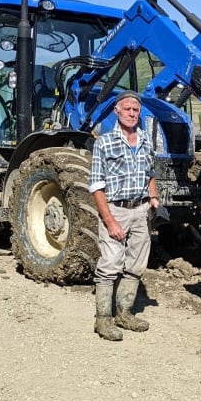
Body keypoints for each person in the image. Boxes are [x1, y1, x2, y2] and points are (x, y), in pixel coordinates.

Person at [88, 90, 160, 341]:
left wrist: (153, 197)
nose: (132, 113)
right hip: (115, 209)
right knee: (110, 265)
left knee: (136, 265)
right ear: (117, 111)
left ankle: (124, 313)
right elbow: (96, 185)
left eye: (136, 110)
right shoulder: (104, 142)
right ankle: (103, 320)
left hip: (140, 210)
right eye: (127, 109)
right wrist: (109, 220)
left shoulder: (144, 141)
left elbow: (150, 171)